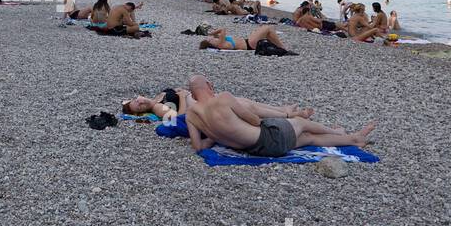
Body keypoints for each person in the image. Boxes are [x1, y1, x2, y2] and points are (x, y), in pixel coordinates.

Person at [184, 75, 376, 156]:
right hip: (270, 138)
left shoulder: (191, 116)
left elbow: (198, 147)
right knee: (301, 123)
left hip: (258, 151)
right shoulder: (223, 98)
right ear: (210, 86)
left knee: (308, 139)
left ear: (192, 94)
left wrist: (214, 135)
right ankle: (340, 133)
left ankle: (352, 139)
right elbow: (254, 120)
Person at [198, 25, 295, 53]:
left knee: (265, 31)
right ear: (209, 42)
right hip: (249, 44)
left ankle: (279, 47)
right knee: (268, 28)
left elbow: (219, 34)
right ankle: (283, 48)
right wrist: (210, 33)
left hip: (248, 42)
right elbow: (223, 29)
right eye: (209, 39)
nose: (210, 38)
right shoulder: (219, 44)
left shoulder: (219, 42)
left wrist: (212, 34)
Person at [122, 86, 191, 119]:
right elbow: (179, 118)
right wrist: (182, 97)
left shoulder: (156, 99)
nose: (141, 102)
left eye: (136, 101)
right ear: (143, 112)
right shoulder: (158, 108)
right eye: (139, 107)